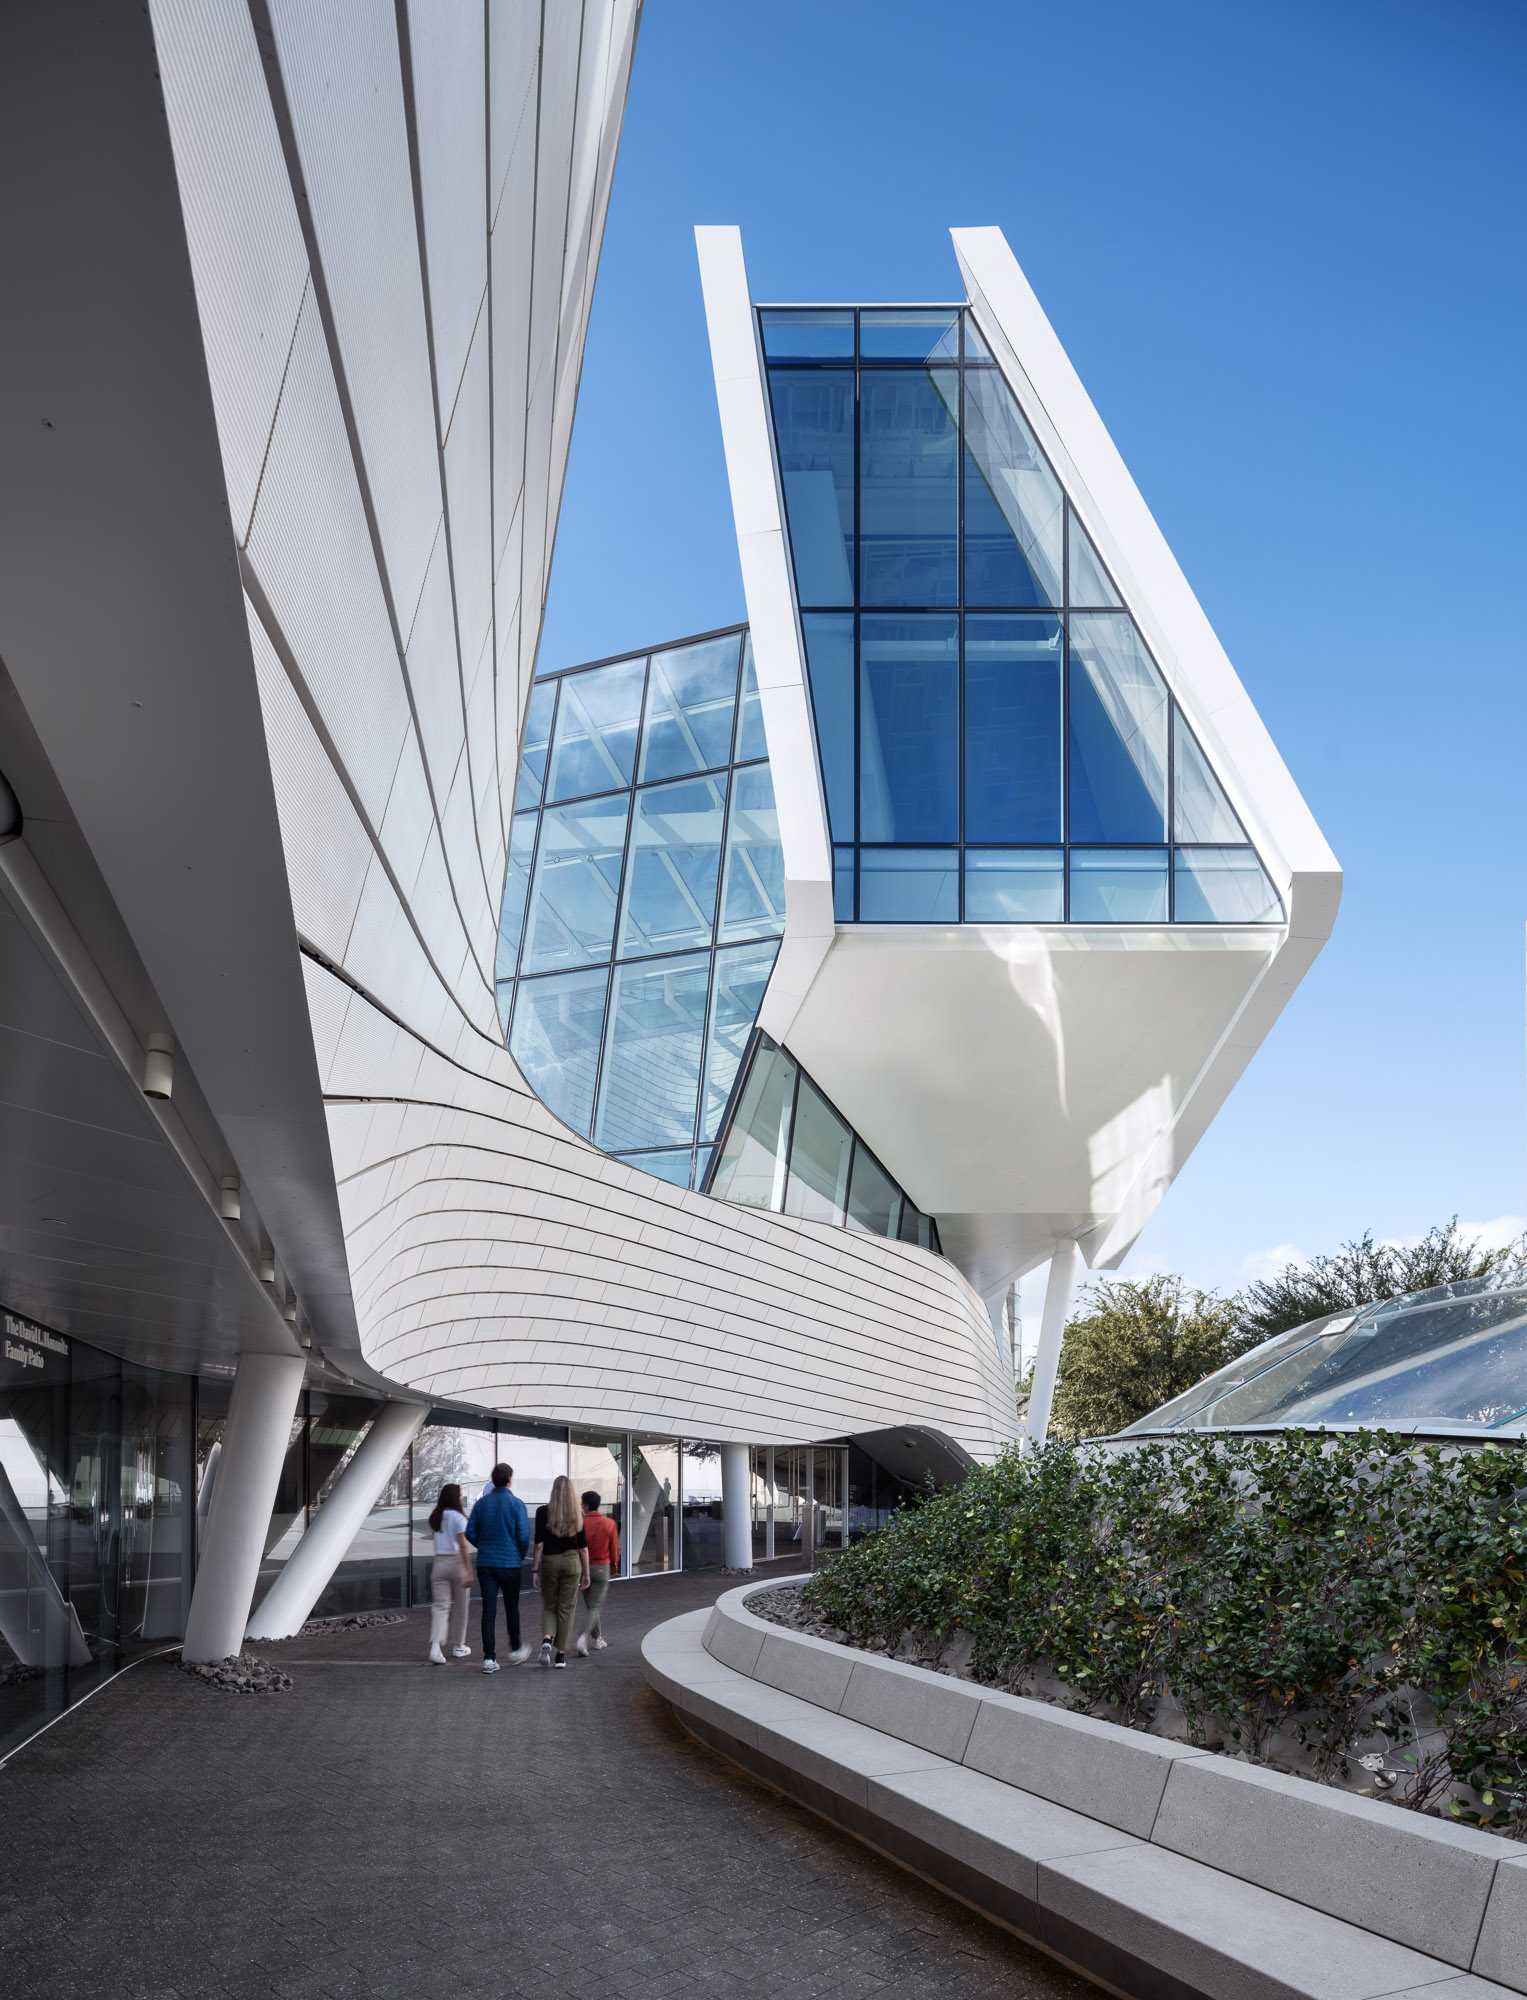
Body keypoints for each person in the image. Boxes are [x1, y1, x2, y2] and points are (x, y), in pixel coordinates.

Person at [465, 1462, 532, 1673]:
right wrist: (518, 1554)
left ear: (493, 1480)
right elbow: (523, 1535)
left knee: (488, 1610)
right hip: (510, 1564)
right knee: (512, 1608)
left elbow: (470, 1531)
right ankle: (515, 1649)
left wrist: (483, 1545)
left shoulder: (482, 1504)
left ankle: (489, 1658)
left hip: (486, 1563)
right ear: (510, 1479)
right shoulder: (517, 1504)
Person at [532, 1474, 588, 1667]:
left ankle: (547, 1638)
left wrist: (534, 1569)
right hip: (572, 1562)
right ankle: (560, 1656)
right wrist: (587, 1573)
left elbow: (538, 1544)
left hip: (550, 1561)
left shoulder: (542, 1512)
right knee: (566, 1608)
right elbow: (583, 1548)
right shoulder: (577, 1513)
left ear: (553, 1491)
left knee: (549, 1605)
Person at [427, 1483, 473, 1665]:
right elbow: (462, 1545)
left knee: (440, 1607)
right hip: (457, 1563)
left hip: (439, 1562)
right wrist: (468, 1570)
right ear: (455, 1497)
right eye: (460, 1495)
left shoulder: (435, 1517)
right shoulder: (458, 1517)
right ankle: (458, 1645)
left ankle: (435, 1648)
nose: (462, 1497)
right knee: (461, 1607)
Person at [575, 1490, 619, 1656]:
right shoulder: (609, 1524)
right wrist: (614, 1567)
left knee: (591, 1606)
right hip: (602, 1568)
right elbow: (614, 1550)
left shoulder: (580, 1523)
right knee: (595, 1607)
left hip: (583, 1568)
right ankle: (584, 1637)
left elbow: (577, 1546)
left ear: (585, 1505)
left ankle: (599, 1638)